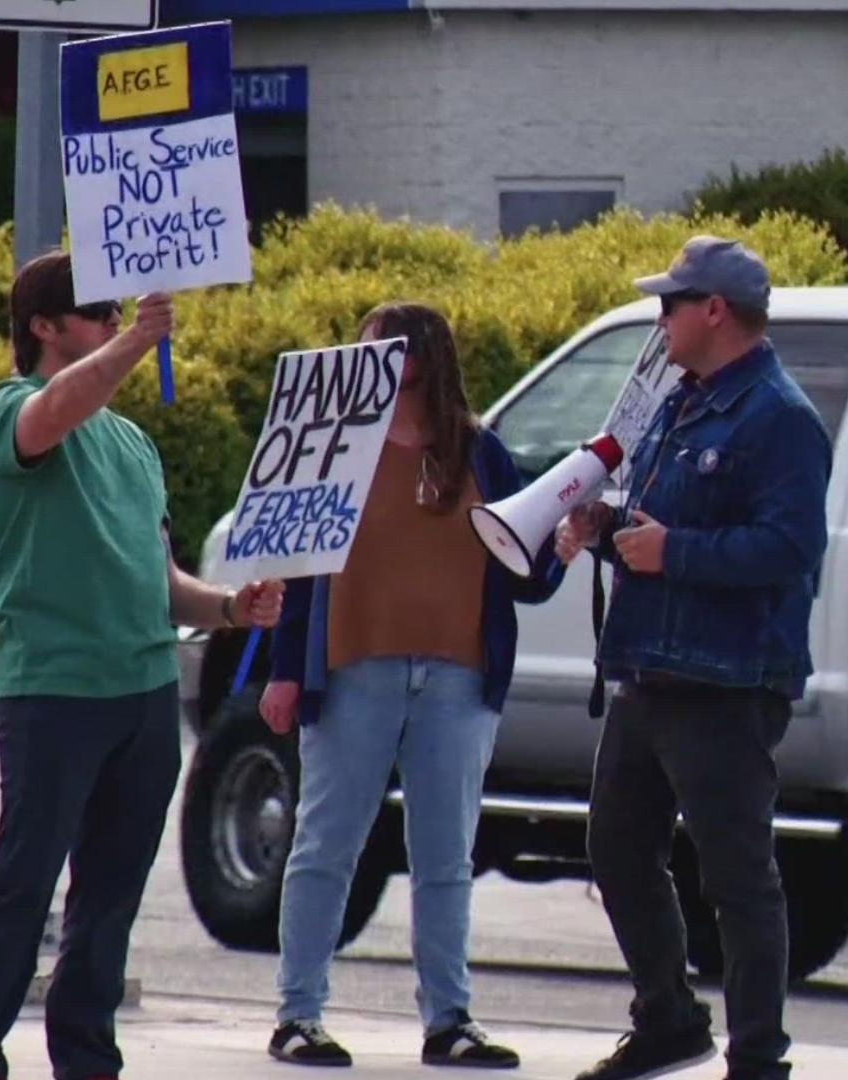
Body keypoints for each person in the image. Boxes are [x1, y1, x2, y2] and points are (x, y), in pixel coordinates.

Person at [0, 250, 283, 1080]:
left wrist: (232, 606)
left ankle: (86, 1056)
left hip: (143, 691)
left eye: (113, 312)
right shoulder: (7, 408)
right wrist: (135, 341)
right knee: (24, 879)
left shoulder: (132, 443)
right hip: (53, 688)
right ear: (44, 326)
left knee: (111, 893)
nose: (109, 320)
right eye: (94, 311)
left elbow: (160, 581)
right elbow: (55, 412)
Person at [555, 237, 830, 1080]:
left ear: (716, 310)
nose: (661, 317)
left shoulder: (778, 417)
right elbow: (653, 525)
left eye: (673, 303)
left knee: (737, 876)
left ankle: (758, 1057)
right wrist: (606, 532)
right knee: (617, 851)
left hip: (725, 680)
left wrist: (674, 553)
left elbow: (788, 549)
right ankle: (669, 1019)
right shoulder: (682, 401)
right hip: (649, 666)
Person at [259, 303, 560, 1072]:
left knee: (445, 854)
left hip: (457, 677)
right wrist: (285, 669)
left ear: (425, 358)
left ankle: (449, 1019)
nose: (370, 363)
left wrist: (564, 539)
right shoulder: (330, 445)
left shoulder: (481, 454)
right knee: (326, 843)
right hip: (354, 666)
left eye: (386, 350)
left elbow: (525, 576)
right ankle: (299, 1013)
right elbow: (295, 566)